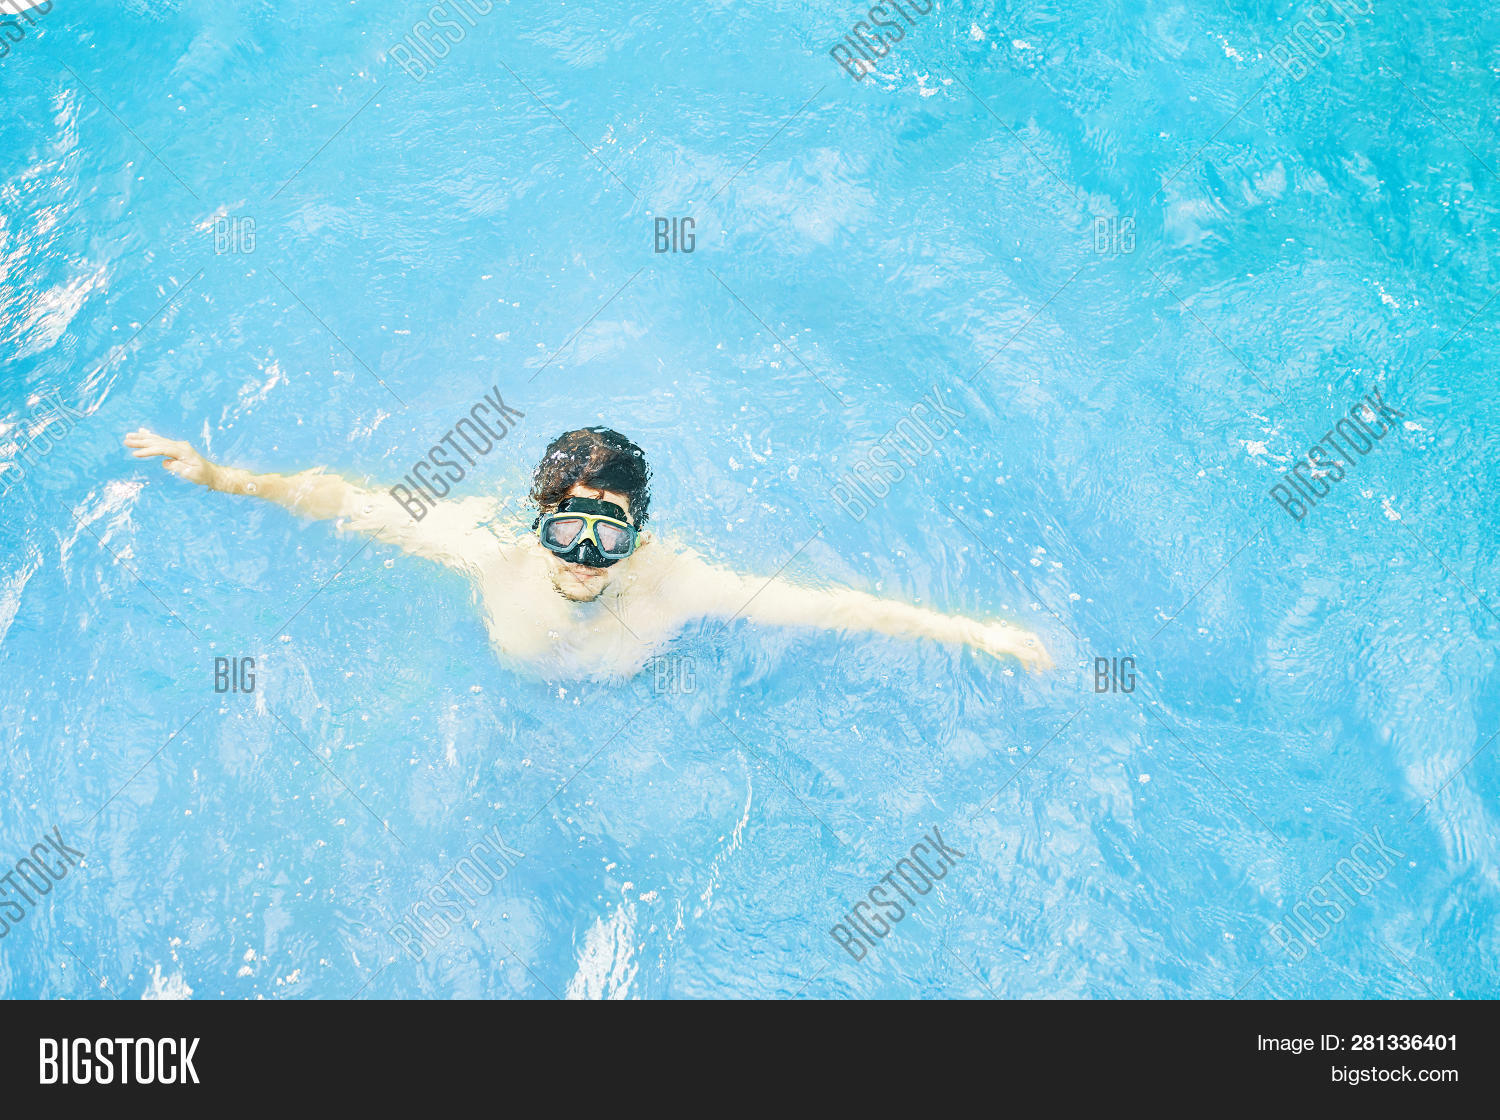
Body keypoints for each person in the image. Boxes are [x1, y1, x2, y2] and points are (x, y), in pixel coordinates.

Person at [122, 425, 1051, 678]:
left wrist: (971, 632)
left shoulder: (676, 586)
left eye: (609, 537)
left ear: (637, 540)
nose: (586, 556)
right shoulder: (486, 549)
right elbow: (340, 501)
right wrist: (216, 475)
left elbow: (830, 607)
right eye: (570, 529)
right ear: (538, 521)